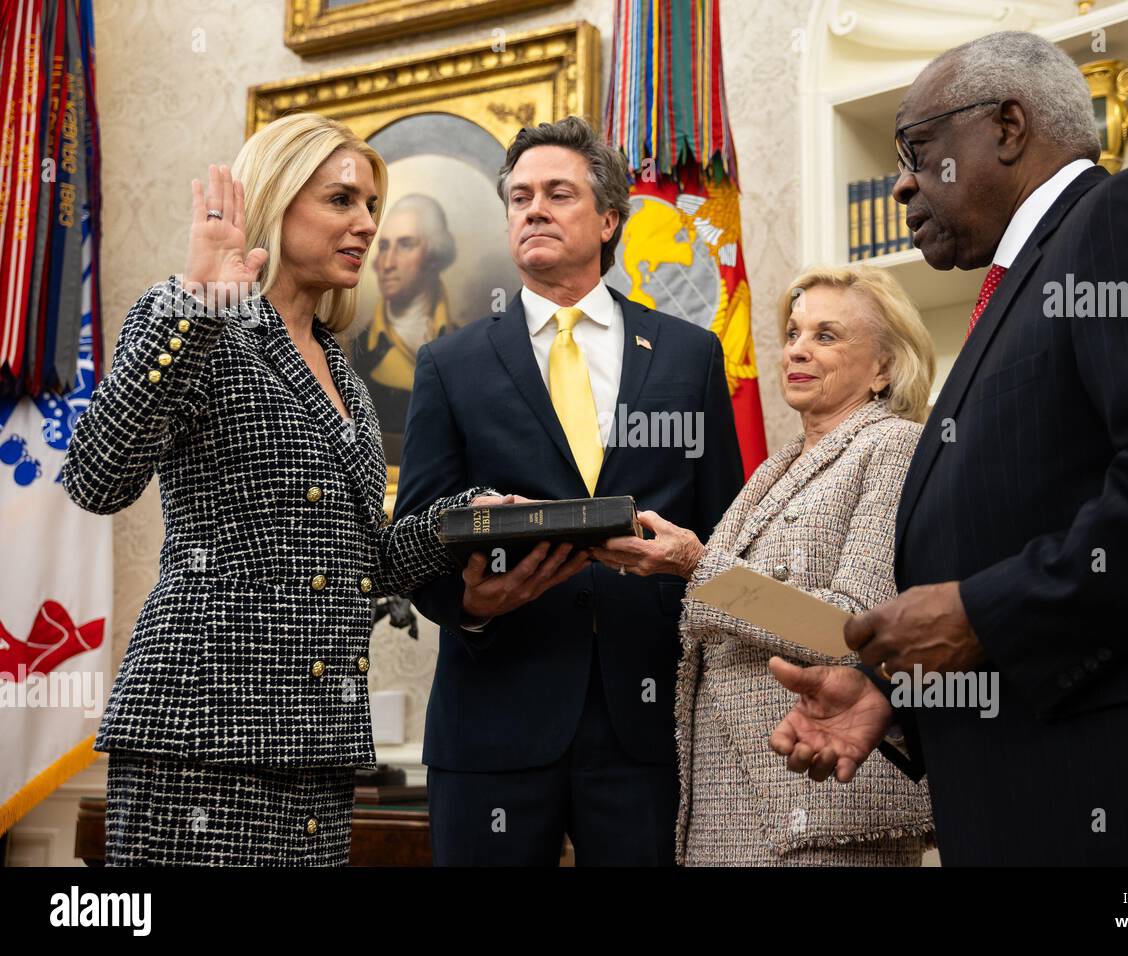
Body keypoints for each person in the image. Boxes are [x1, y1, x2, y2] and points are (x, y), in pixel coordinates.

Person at [770, 30, 1128, 865]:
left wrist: (982, 616)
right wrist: (892, 693)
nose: (902, 181)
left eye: (917, 146)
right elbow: (1033, 520)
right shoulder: (1016, 291)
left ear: (1009, 126)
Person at [62, 113, 494, 866]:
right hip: (205, 738)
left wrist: (461, 521)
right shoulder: (200, 322)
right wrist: (197, 300)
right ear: (276, 201)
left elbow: (356, 564)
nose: (364, 224)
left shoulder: (349, 385)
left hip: (317, 747)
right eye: (340, 201)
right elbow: (99, 477)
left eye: (370, 206)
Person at [395, 115, 744, 866]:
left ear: (609, 216)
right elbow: (415, 539)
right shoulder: (450, 364)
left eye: (558, 193)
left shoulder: (689, 355)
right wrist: (472, 608)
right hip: (492, 714)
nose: (533, 209)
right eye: (518, 196)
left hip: (647, 721)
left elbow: (728, 531)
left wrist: (689, 564)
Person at [595, 264, 936, 865]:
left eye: (826, 336)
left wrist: (698, 565)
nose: (797, 350)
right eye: (793, 333)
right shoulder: (775, 467)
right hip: (731, 805)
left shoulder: (894, 446)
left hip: (822, 801)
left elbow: (851, 630)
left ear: (884, 367)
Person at [352, 193, 456, 457]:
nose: (387, 263)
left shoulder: (469, 345)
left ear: (434, 255)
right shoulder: (352, 351)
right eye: (384, 246)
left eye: (406, 245)